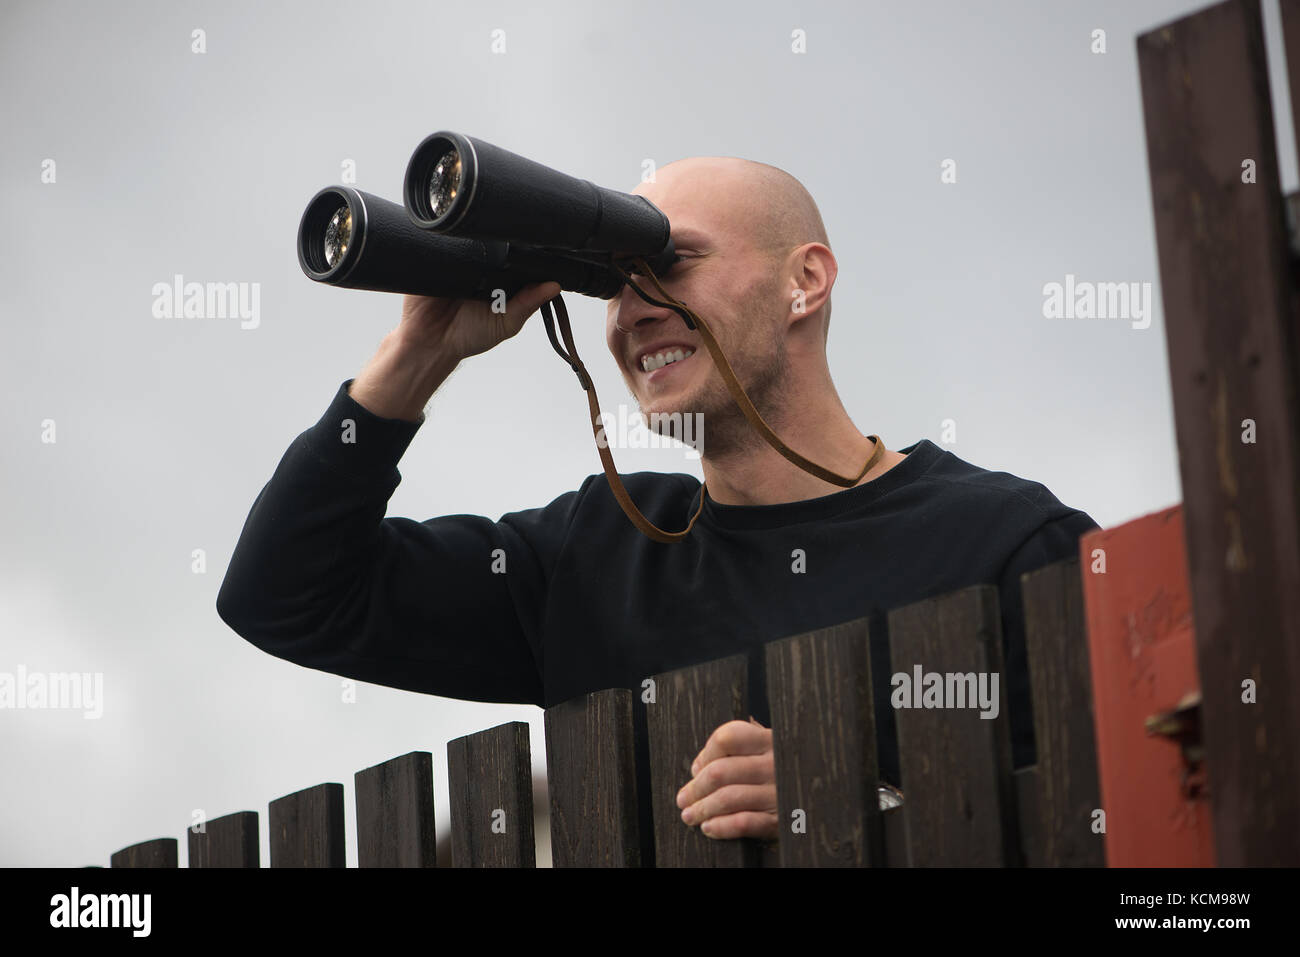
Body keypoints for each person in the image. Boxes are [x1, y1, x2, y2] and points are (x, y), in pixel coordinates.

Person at [217, 156, 1100, 863]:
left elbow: (1136, 845)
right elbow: (285, 596)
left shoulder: (1011, 545)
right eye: (611, 281)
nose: (632, 309)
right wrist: (414, 357)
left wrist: (855, 802)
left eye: (670, 263)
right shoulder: (599, 553)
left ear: (806, 281)